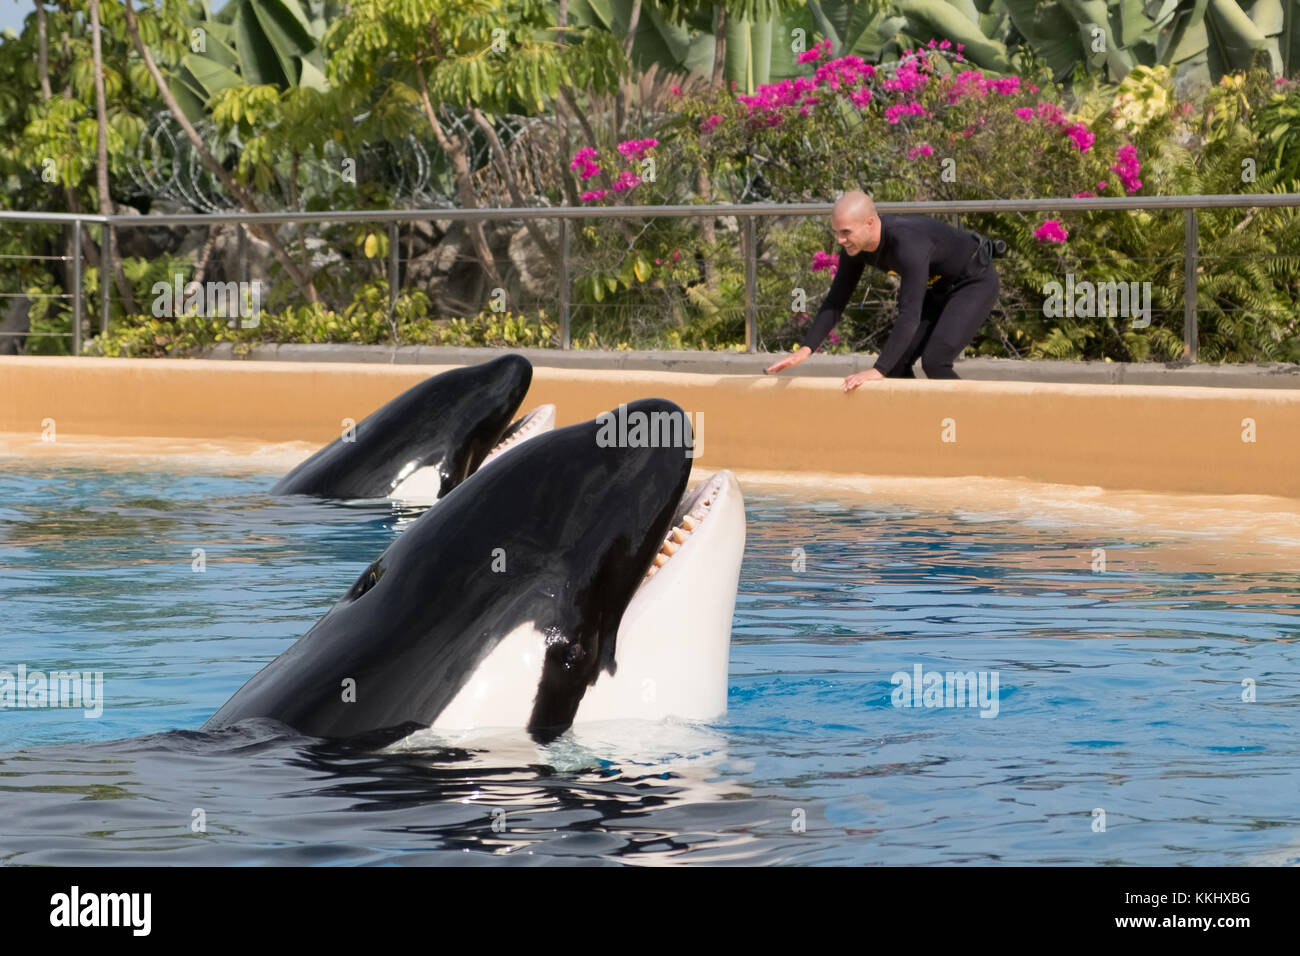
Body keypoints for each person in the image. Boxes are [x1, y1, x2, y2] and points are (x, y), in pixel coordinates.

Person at [765, 190, 1000, 389]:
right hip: (937, 288)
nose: (840, 240)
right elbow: (836, 300)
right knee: (896, 364)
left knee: (935, 361)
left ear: (869, 223)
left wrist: (878, 369)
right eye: (836, 232)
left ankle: (969, 426)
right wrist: (806, 348)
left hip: (973, 282)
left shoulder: (906, 243)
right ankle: (921, 427)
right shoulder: (855, 250)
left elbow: (909, 314)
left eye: (846, 232)